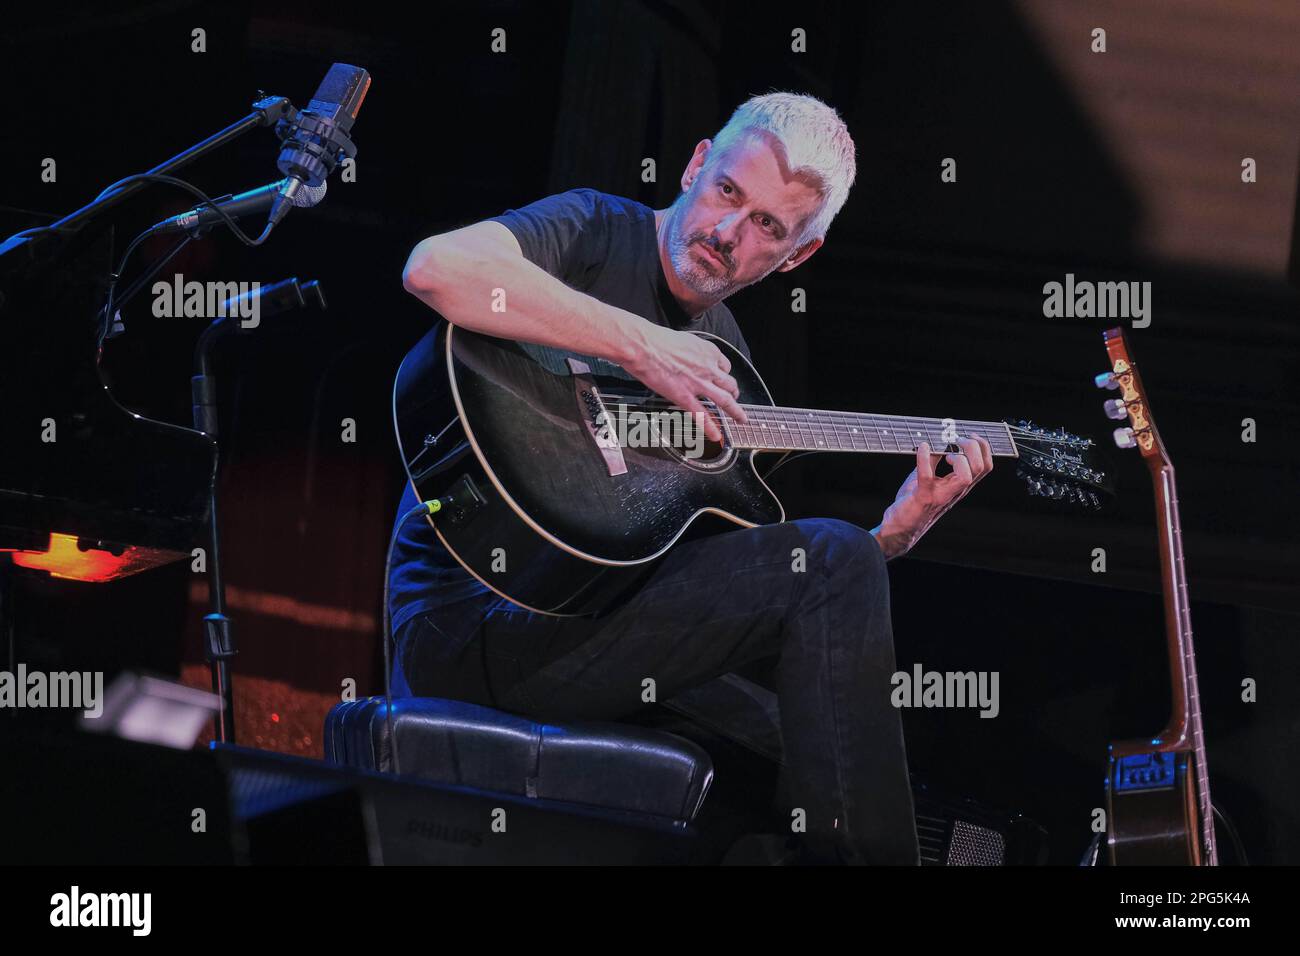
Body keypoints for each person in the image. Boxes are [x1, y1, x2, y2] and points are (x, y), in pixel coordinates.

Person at [391, 91, 993, 864]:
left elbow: (751, 604)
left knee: (810, 727)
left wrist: (888, 541)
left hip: (589, 623)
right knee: (833, 564)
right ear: (696, 163)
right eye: (729, 192)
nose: (726, 232)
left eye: (768, 227)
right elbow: (435, 268)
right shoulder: (595, 231)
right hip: (476, 621)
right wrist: (643, 346)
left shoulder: (728, 357)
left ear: (796, 256)